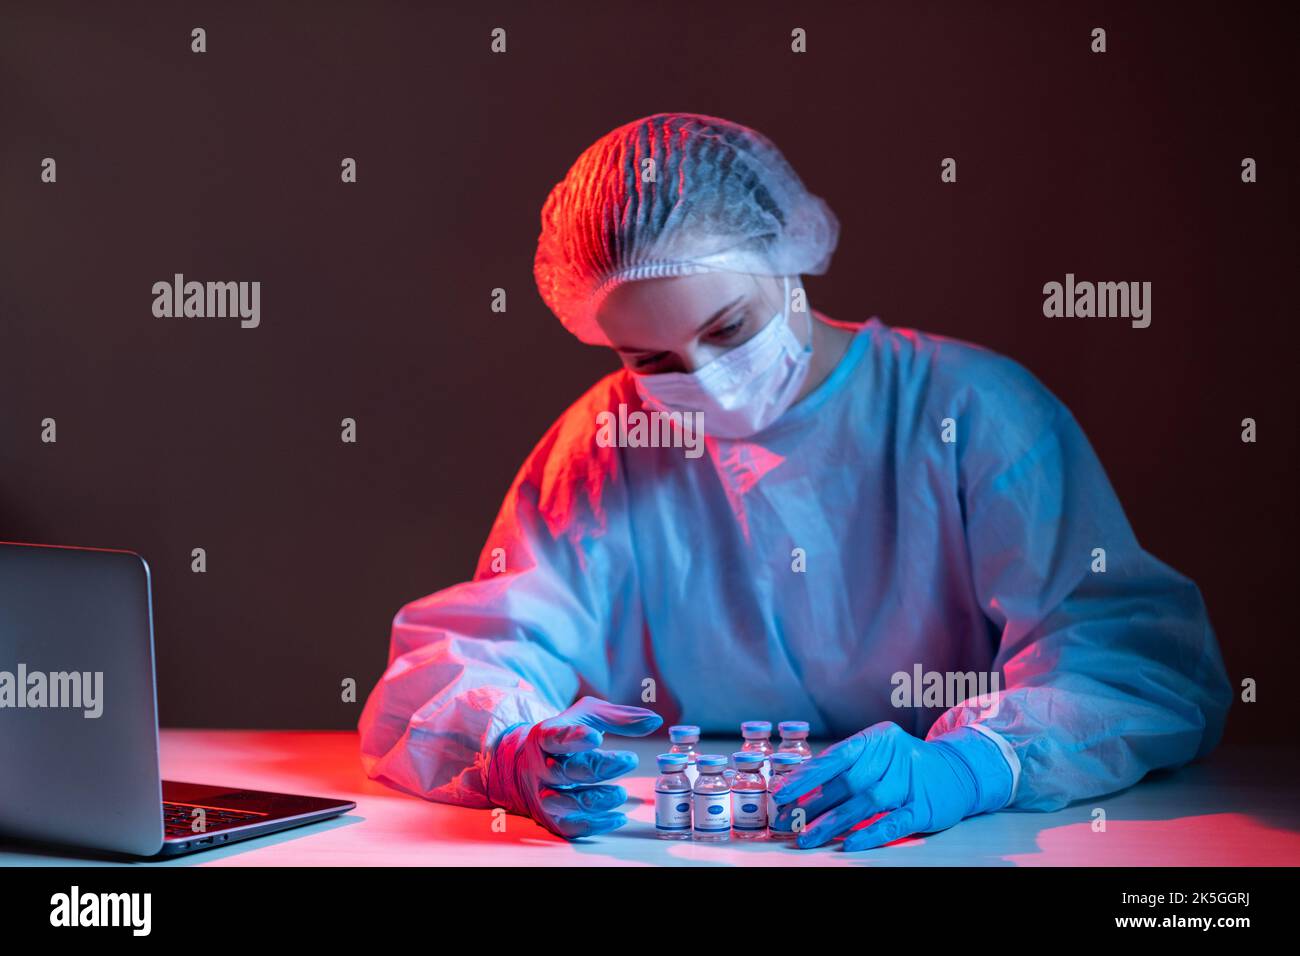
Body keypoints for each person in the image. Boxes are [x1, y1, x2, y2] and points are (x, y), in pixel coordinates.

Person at [358, 113, 1232, 849]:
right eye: (651, 358)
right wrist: (510, 745)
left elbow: (1125, 662)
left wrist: (979, 763)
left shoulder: (972, 410)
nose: (701, 378)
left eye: (730, 326)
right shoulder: (606, 439)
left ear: (791, 256)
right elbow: (474, 651)